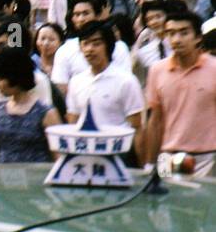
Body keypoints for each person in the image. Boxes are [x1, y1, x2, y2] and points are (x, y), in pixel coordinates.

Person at [143, 11, 216, 176]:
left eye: (184, 33)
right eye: (171, 33)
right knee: (165, 201)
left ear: (198, 37)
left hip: (208, 156)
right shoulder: (157, 70)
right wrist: (150, 162)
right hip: (167, 155)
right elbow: (155, 120)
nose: (177, 39)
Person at [66, 20, 144, 159]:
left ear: (108, 46)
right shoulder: (76, 82)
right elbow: (73, 122)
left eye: (96, 43)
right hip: (84, 153)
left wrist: (144, 165)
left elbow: (137, 127)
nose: (90, 49)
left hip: (117, 153)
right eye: (85, 43)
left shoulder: (126, 81)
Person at [0, 47, 61, 164]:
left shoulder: (46, 113)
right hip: (2, 178)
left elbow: (58, 154)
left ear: (13, 77)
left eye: (0, 78)